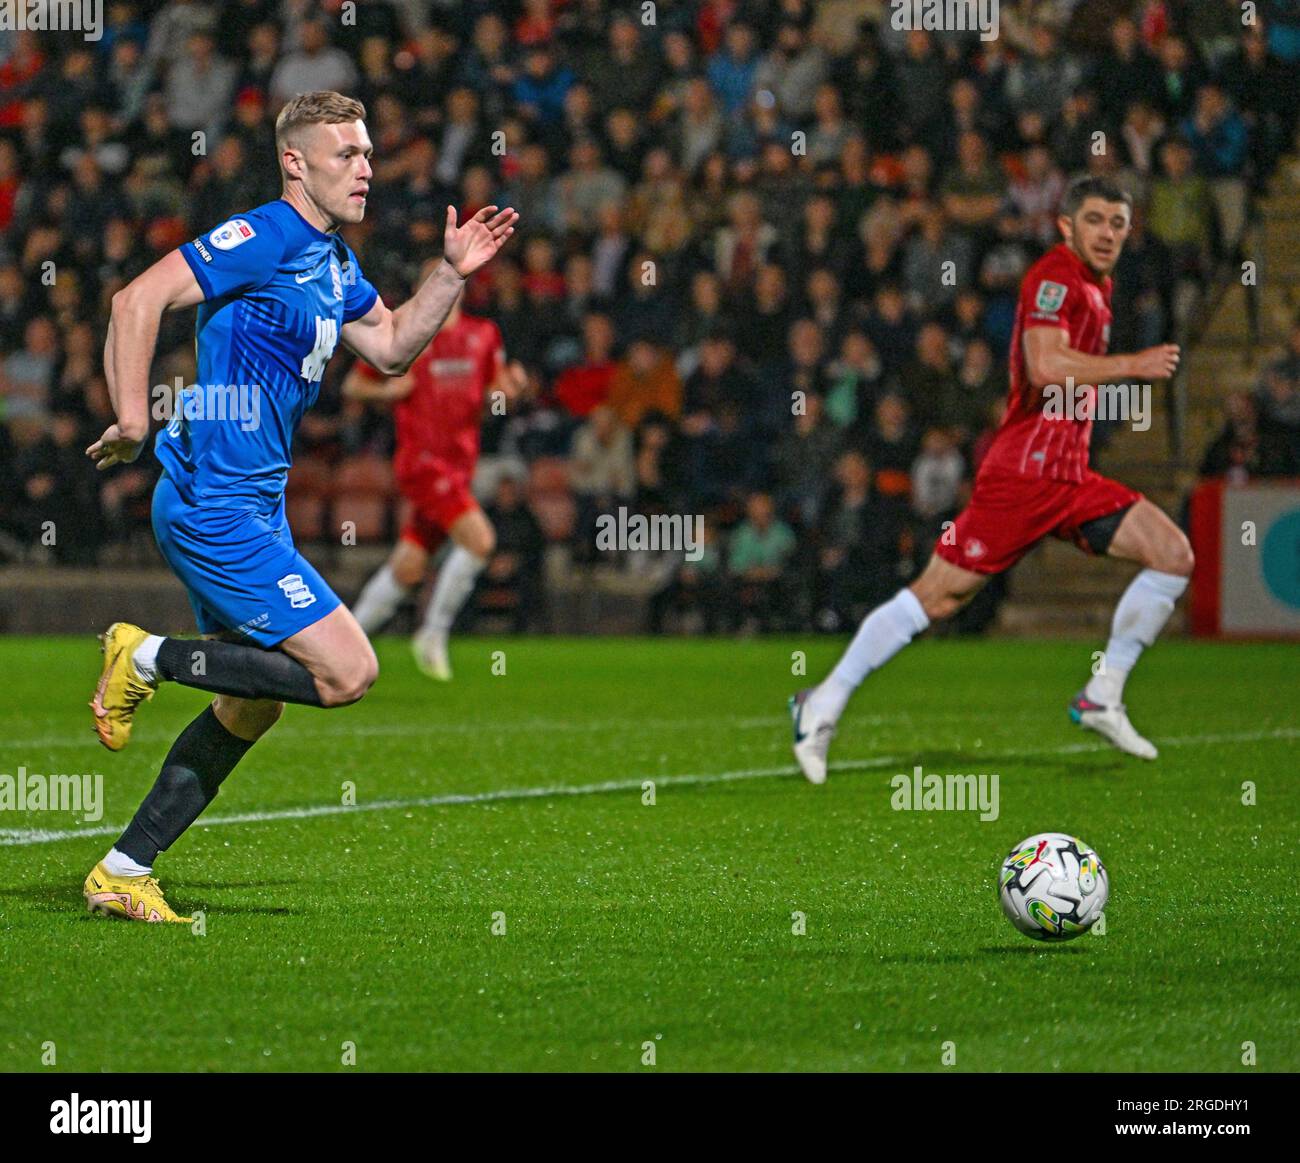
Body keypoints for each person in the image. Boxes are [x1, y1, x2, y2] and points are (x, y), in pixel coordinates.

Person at [83, 91, 516, 920]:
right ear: (295, 162)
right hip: (216, 505)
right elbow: (134, 301)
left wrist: (451, 274)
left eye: (367, 152)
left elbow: (390, 348)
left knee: (251, 703)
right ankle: (145, 657)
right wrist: (134, 419)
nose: (365, 168)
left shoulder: (332, 261)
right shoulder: (268, 236)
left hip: (250, 505)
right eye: (346, 154)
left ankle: (123, 869)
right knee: (350, 670)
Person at [791, 176, 1191, 784]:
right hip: (1025, 476)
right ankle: (823, 701)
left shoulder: (1098, 285)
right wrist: (1132, 366)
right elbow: (1045, 365)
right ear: (1065, 226)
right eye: (1096, 221)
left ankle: (1102, 694)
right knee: (938, 597)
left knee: (1172, 554)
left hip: (1069, 476)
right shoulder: (1054, 278)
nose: (1108, 232)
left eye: (1118, 223)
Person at [345, 260, 526, 679]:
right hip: (422, 463)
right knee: (480, 541)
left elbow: (493, 396)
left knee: (408, 567)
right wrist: (390, 389)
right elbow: (353, 385)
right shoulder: (405, 333)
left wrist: (512, 390)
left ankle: (345, 643)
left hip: (460, 465)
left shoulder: (484, 335)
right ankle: (433, 632)